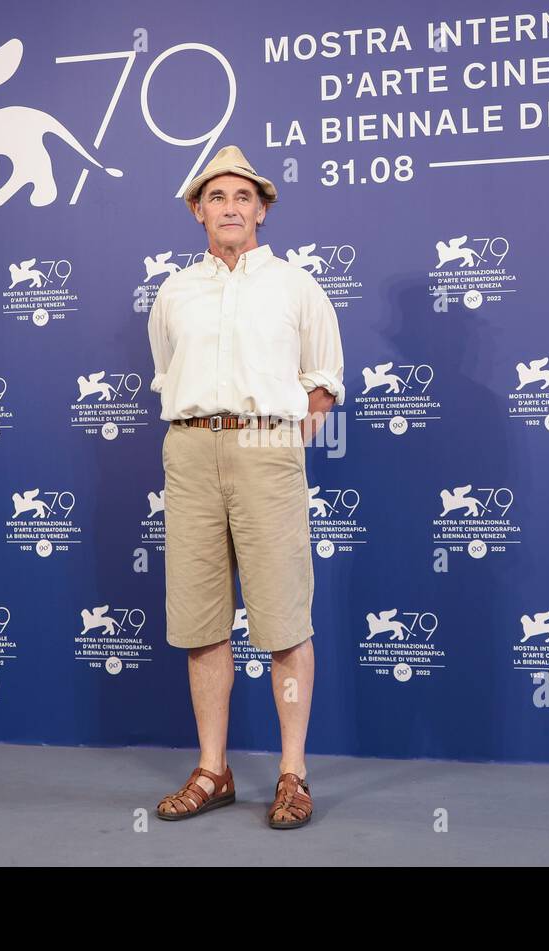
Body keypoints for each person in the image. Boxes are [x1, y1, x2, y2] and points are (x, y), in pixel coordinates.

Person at [146, 145, 345, 829]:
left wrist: (277, 440)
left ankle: (292, 773)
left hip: (266, 444)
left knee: (284, 619)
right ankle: (213, 769)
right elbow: (167, 372)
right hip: (192, 447)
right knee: (202, 620)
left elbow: (322, 383)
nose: (230, 207)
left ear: (261, 209)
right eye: (216, 197)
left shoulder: (297, 286)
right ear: (198, 210)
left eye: (242, 197)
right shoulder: (175, 291)